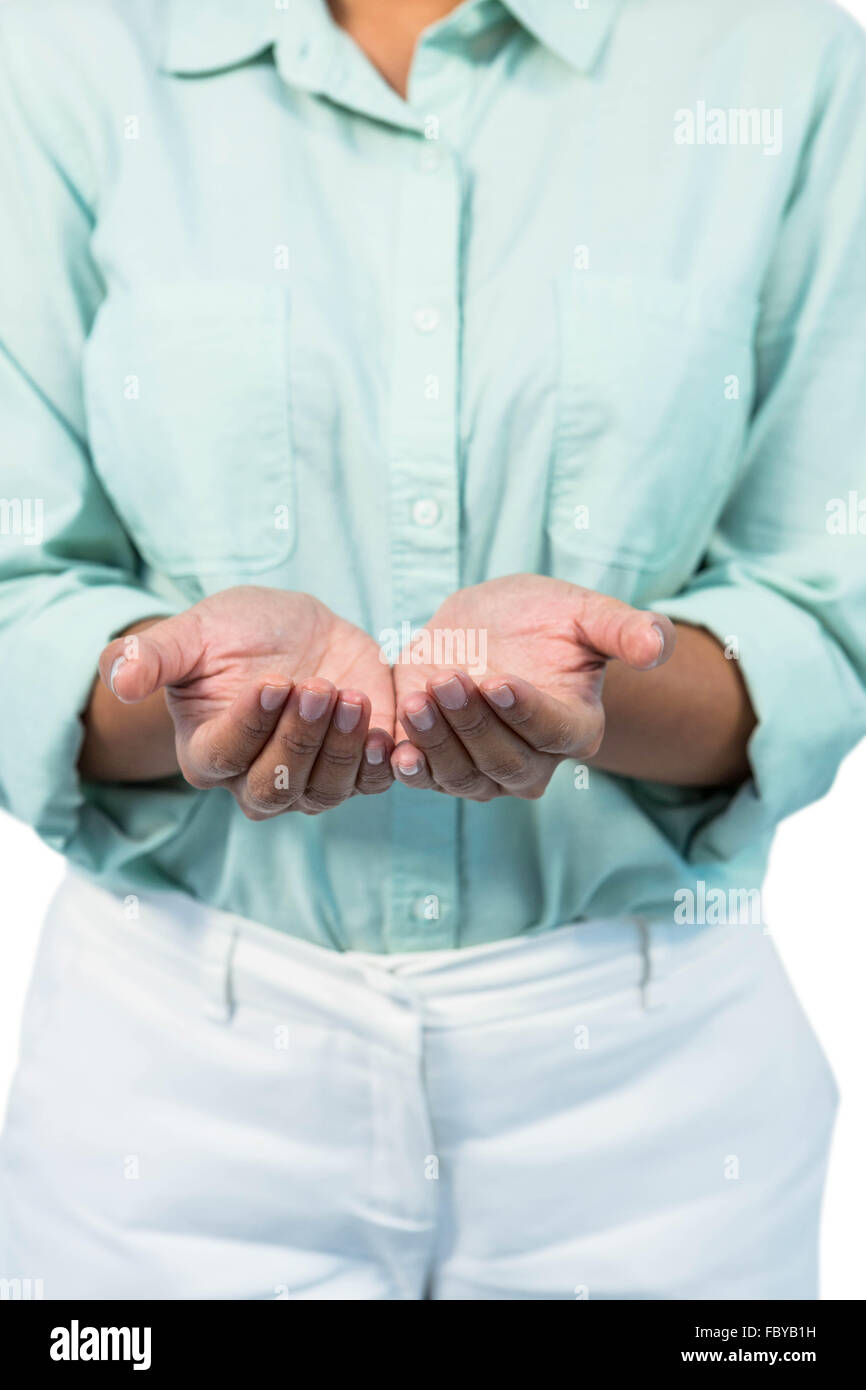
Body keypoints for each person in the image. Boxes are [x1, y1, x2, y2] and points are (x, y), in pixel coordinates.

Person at [0, 0, 864, 1301]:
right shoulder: (64, 51)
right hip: (171, 1088)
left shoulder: (782, 52)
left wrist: (601, 691)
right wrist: (178, 692)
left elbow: (822, 602)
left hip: (652, 1115)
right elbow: (19, 595)